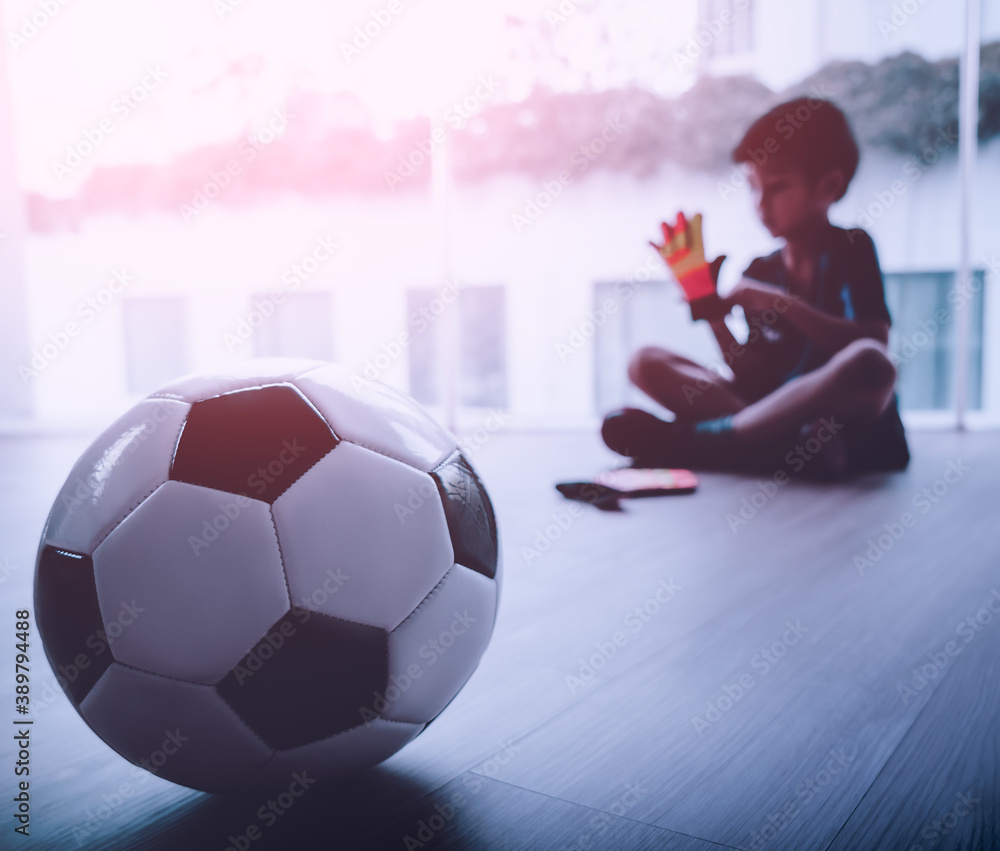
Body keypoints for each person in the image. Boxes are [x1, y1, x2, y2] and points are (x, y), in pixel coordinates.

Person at [601, 97, 909, 478]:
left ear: (829, 186)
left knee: (871, 364)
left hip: (842, 418)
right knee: (645, 362)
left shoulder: (852, 247)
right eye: (752, 188)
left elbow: (875, 343)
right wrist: (710, 311)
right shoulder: (760, 270)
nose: (761, 205)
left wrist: (783, 304)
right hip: (772, 414)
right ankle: (782, 444)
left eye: (777, 187)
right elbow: (752, 376)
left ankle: (705, 442)